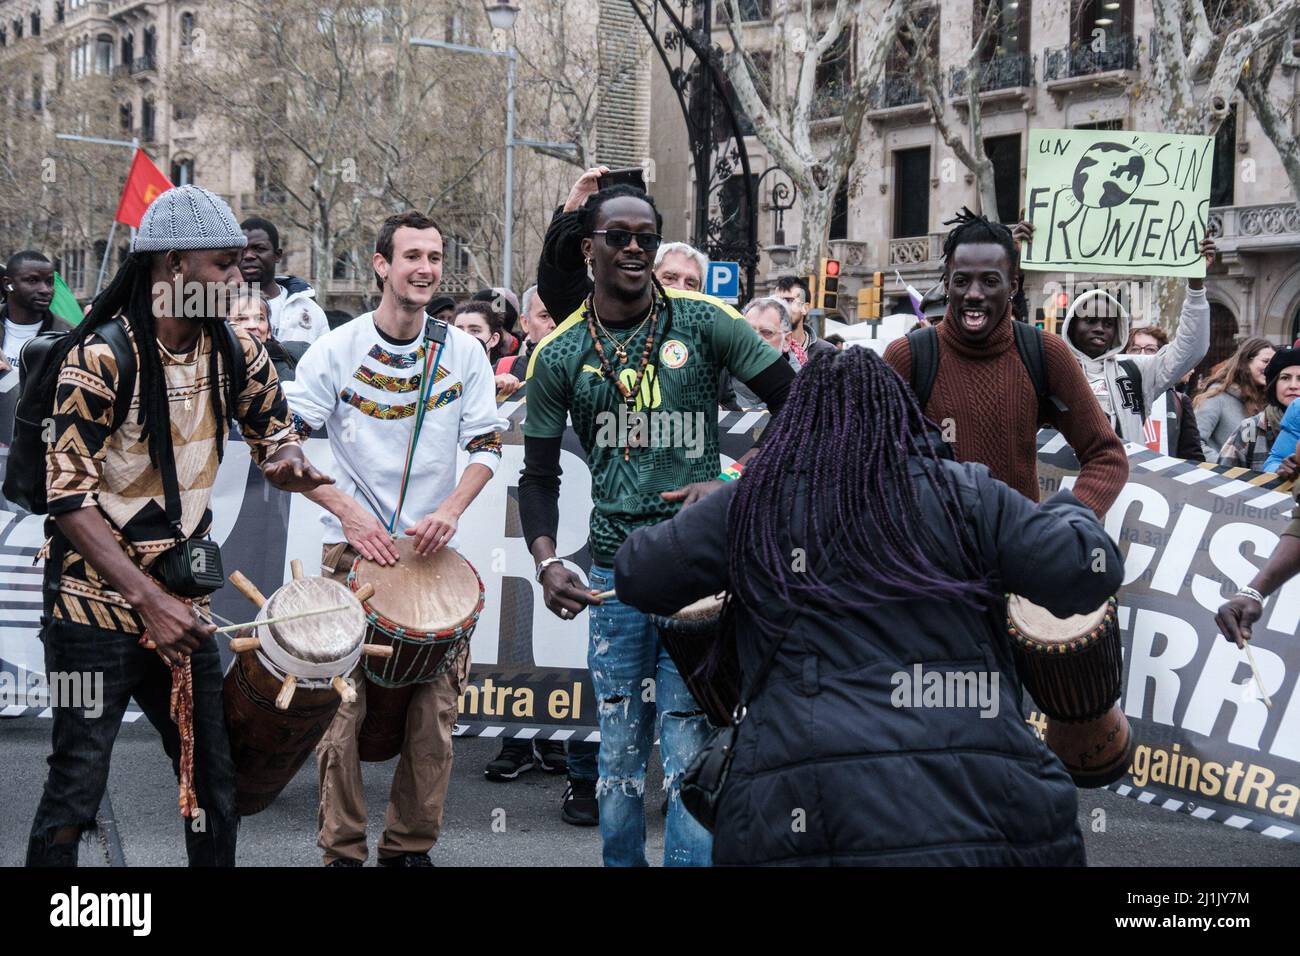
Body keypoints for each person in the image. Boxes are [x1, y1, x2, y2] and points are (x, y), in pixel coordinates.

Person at [614, 347, 1122, 865]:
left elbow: (638, 574)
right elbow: (1086, 572)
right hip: (982, 804)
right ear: (901, 410)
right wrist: (1071, 511)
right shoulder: (967, 494)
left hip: (799, 810)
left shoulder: (754, 503)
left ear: (795, 424)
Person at [26, 185, 332, 867]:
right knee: (76, 788)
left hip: (182, 610)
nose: (239, 275)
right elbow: (67, 500)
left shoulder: (237, 352)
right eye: (222, 263)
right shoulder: (99, 359)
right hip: (93, 612)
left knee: (215, 788)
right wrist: (150, 601)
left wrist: (288, 463)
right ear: (172, 268)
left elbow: (274, 437)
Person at [519, 183, 795, 866]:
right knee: (616, 754)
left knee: (687, 749)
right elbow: (538, 478)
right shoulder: (557, 354)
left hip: (698, 576)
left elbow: (801, 403)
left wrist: (735, 482)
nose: (636, 248)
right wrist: (549, 561)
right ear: (589, 249)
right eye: (620, 236)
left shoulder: (704, 322)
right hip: (614, 580)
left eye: (648, 235)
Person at [283, 211, 506, 868]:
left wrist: (452, 509)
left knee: (435, 714)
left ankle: (409, 848)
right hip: (350, 555)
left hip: (432, 559)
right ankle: (343, 851)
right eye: (412, 256)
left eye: (435, 258)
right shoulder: (336, 349)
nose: (426, 269)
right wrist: (344, 510)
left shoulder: (463, 352)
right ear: (381, 264)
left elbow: (487, 442)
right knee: (341, 712)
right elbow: (282, 446)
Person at [883, 209, 1129, 516]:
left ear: (1012, 286)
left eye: (989, 281)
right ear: (946, 285)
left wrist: (1063, 526)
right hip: (930, 560)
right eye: (962, 280)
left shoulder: (1046, 354)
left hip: (1017, 560)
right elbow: (863, 463)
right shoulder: (906, 357)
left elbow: (1107, 455)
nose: (974, 294)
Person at [1022, 218, 1213, 455]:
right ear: (1072, 326)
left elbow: (1191, 349)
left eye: (1108, 323)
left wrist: (1195, 285)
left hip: (1125, 482)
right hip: (1061, 483)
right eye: (1090, 321)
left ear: (1118, 330)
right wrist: (1013, 260)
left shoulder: (1136, 370)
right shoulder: (1048, 370)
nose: (1100, 328)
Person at [2, 251, 71, 452]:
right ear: (9, 285)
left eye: (49, 282)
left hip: (38, 450)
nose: (45, 290)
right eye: (32, 281)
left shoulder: (69, 337)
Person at [239, 216, 330, 344]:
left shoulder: (309, 309)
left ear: (277, 255)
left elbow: (324, 360)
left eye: (259, 249)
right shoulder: (219, 308)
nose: (248, 256)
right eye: (241, 250)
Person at [1123, 325, 1205, 461]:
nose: (1142, 355)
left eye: (1150, 350)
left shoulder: (1178, 402)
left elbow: (1192, 456)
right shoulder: (1112, 396)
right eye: (1135, 349)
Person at [1216, 347, 1300, 470]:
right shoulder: (1250, 429)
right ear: (1274, 385)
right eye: (1285, 378)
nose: (1293, 386)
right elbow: (1221, 479)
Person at [1194, 337, 1275, 463]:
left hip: (1253, 480)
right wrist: (1225, 467)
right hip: (1220, 479)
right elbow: (1196, 441)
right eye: (1266, 361)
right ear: (1246, 361)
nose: (1270, 367)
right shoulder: (1217, 395)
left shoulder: (1268, 403)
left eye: (1273, 363)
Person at [720, 297, 794, 410]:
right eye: (747, 332)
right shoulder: (715, 382)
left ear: (787, 341)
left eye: (766, 333)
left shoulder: (806, 390)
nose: (754, 340)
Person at [227, 291, 308, 382]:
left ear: (269, 330)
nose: (253, 325)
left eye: (260, 318)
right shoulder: (212, 368)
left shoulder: (301, 353)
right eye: (241, 319)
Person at [773, 275, 836, 367]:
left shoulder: (827, 353)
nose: (781, 307)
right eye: (776, 302)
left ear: (805, 308)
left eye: (788, 301)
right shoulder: (766, 349)